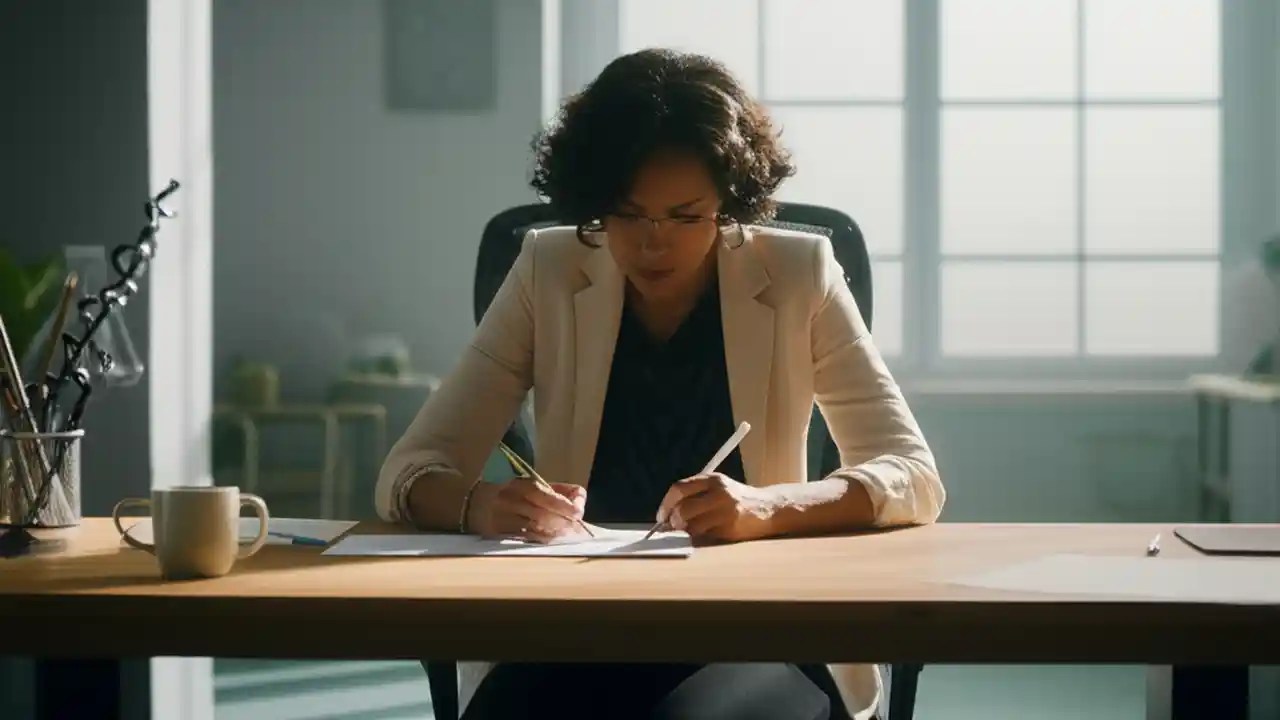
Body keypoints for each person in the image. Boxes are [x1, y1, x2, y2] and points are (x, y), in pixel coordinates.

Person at [375, 48, 945, 720]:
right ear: (594, 202)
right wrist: (483, 506)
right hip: (574, 624)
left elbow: (913, 474)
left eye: (685, 216)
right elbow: (408, 473)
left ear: (730, 203)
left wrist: (769, 508)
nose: (653, 244)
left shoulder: (798, 272)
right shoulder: (549, 270)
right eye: (627, 213)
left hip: (751, 623)